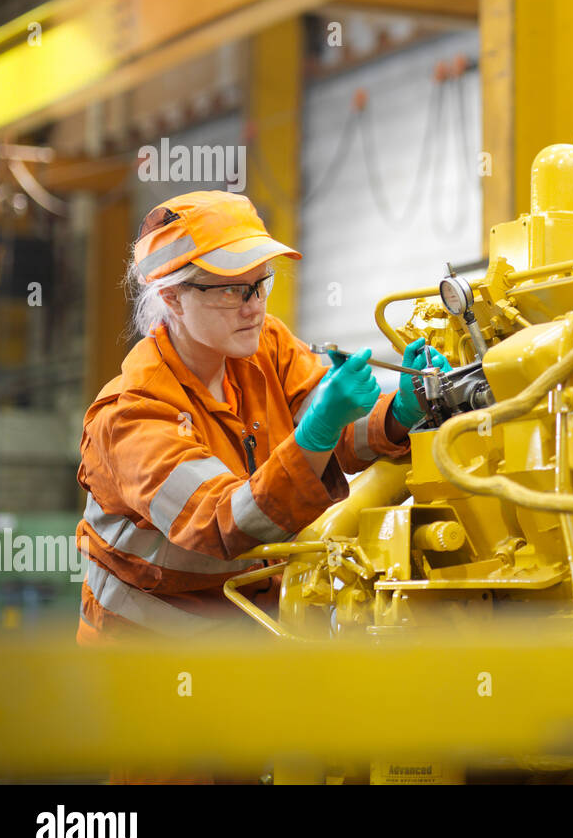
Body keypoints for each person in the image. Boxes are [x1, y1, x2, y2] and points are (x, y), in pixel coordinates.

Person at [76, 189, 450, 646]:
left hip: (251, 640)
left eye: (261, 283)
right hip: (144, 669)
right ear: (173, 298)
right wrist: (317, 430)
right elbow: (225, 522)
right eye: (232, 289)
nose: (254, 307)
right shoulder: (133, 416)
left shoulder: (263, 346)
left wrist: (399, 411)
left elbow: (335, 426)